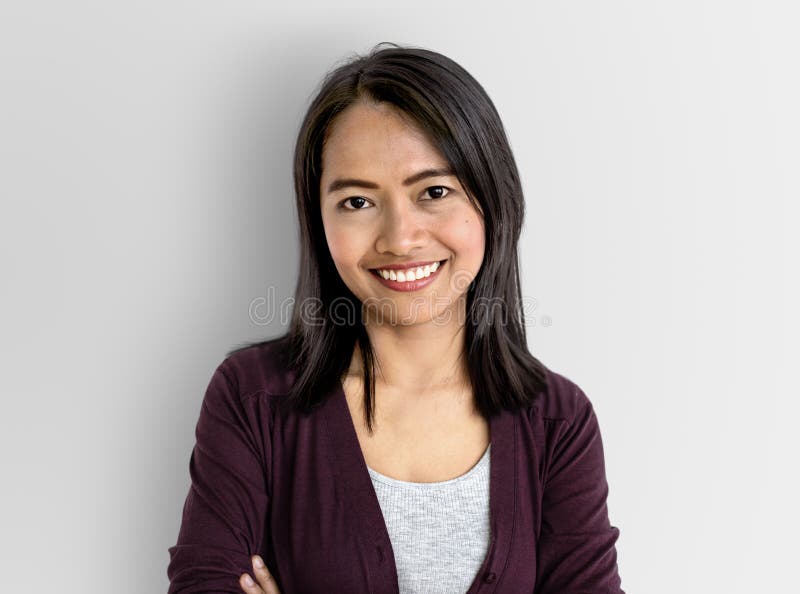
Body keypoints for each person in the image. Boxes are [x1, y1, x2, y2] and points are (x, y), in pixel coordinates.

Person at [167, 42, 624, 594]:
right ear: (319, 220)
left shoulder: (557, 423)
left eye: (433, 192)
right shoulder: (254, 399)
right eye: (357, 202)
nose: (400, 238)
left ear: (493, 200)